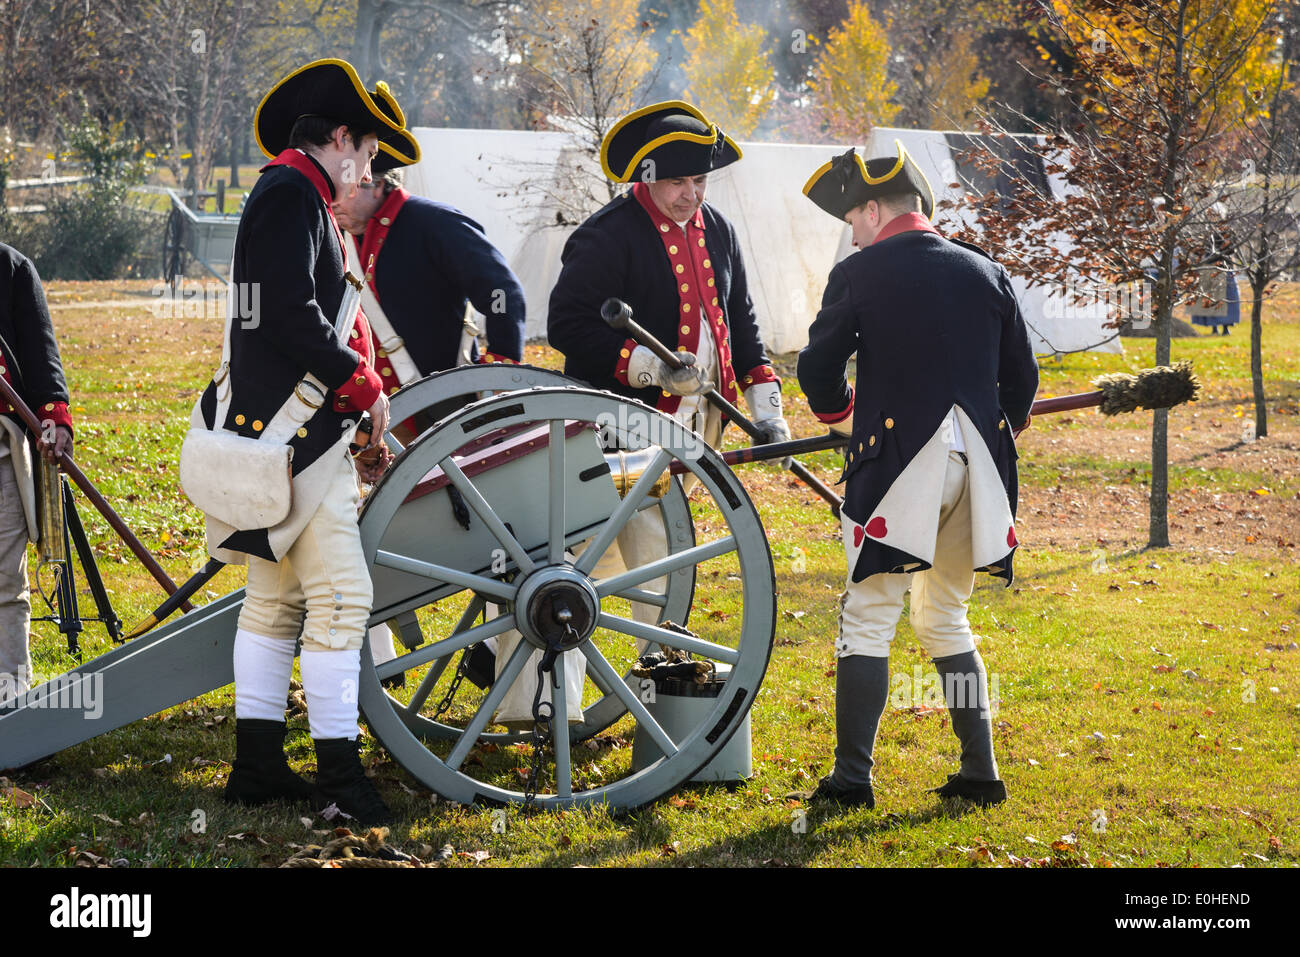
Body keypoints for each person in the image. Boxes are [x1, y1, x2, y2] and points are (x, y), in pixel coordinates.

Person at [186, 58, 419, 824]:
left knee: (276, 599)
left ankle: (256, 765)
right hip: (295, 436)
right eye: (369, 154)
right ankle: (340, 782)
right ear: (343, 138)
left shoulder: (293, 195)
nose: (369, 172)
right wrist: (363, 384)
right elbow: (289, 315)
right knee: (343, 599)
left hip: (286, 431)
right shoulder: (291, 195)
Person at [529, 99, 789, 725]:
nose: (691, 195)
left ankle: (655, 690)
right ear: (647, 176)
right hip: (618, 428)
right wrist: (648, 368)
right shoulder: (606, 235)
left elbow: (739, 319)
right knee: (616, 561)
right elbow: (567, 325)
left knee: (657, 560)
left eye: (700, 181)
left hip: (692, 423)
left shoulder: (717, 229)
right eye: (679, 181)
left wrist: (766, 403)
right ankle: (553, 706)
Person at [794, 142, 1038, 809]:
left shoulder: (860, 272)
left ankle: (850, 780)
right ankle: (980, 771)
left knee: (869, 616)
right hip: (980, 471)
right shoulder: (985, 271)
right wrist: (990, 435)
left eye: (853, 216)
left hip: (901, 465)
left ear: (874, 208)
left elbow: (817, 370)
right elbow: (1024, 380)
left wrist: (845, 419)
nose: (851, 229)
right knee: (946, 617)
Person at [331, 162, 527, 677]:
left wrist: (498, 378)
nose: (334, 200)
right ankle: (375, 663)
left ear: (375, 183)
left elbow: (502, 294)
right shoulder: (339, 235)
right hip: (371, 417)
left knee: (495, 535)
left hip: (440, 410)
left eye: (346, 189)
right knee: (353, 534)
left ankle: (493, 648)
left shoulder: (431, 223)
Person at [0, 243, 74, 707]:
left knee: (4, 584)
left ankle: (7, 706)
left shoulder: (10, 268)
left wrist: (54, 414)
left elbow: (40, 350)